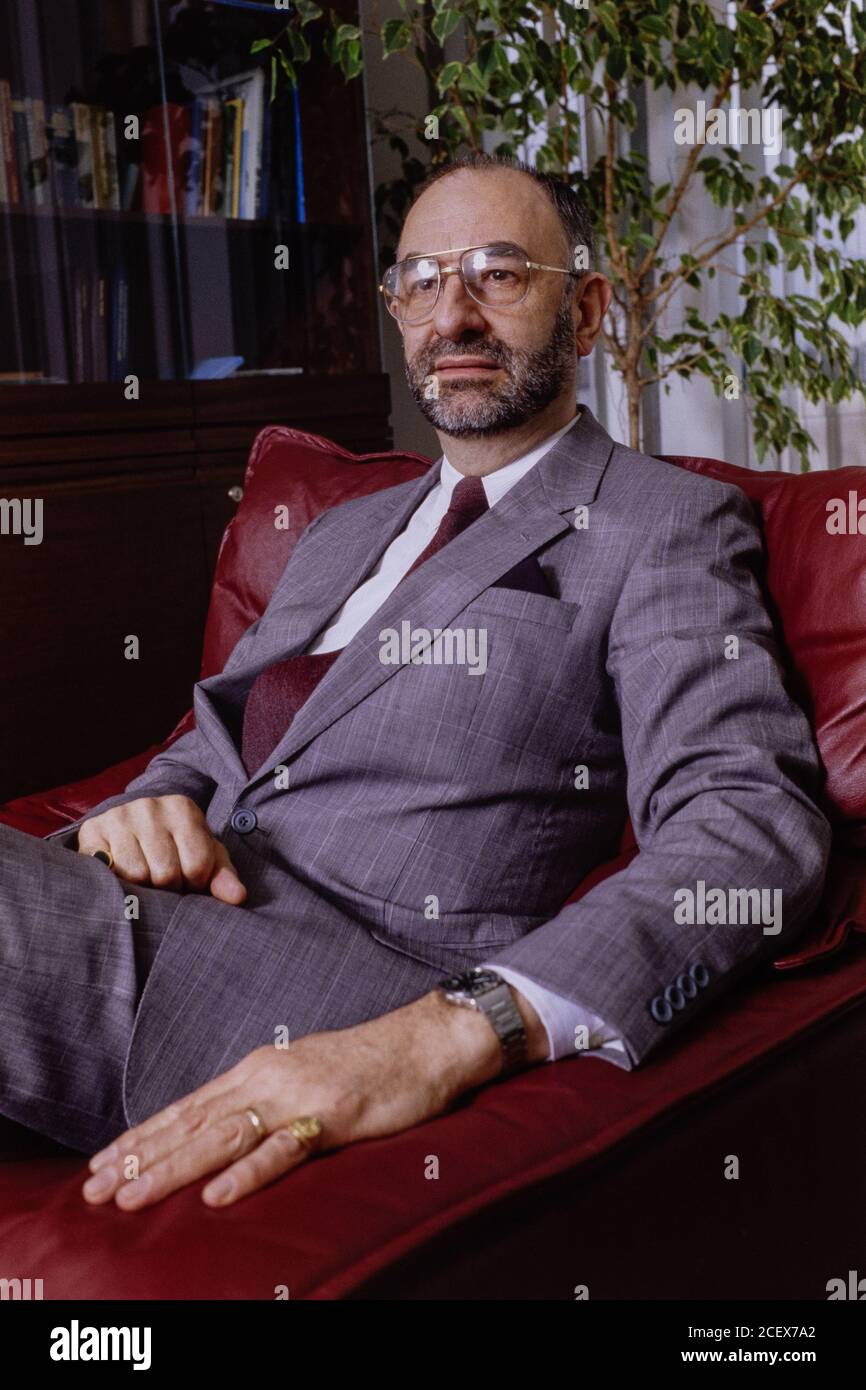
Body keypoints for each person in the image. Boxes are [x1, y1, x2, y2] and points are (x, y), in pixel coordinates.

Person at [0, 154, 830, 1214]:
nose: (454, 312)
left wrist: (451, 1028)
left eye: (496, 273)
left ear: (580, 307)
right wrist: (139, 811)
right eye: (423, 280)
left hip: (327, 990)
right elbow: (216, 736)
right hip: (139, 913)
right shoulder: (340, 528)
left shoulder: (659, 524)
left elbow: (747, 822)